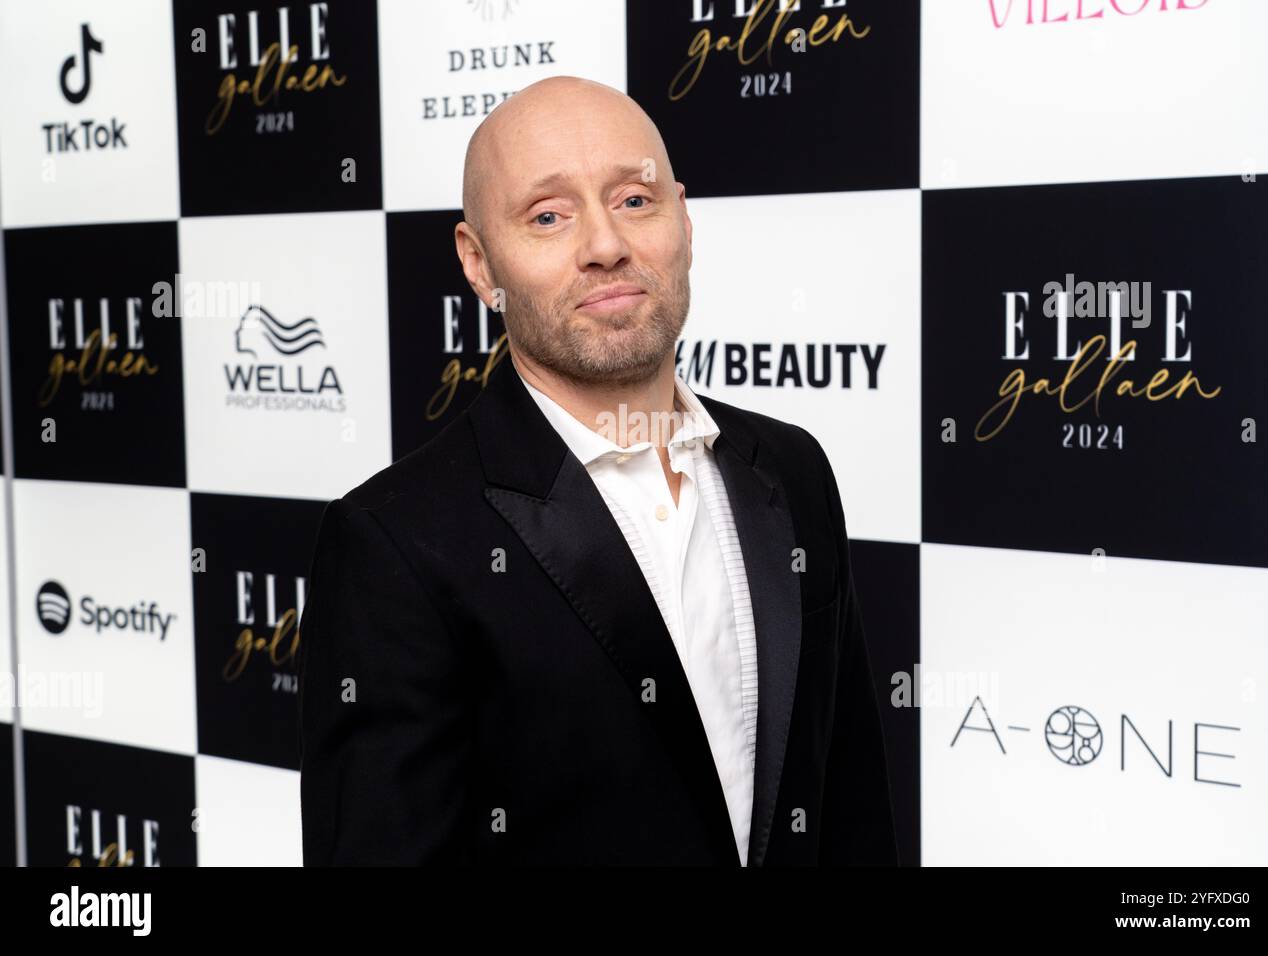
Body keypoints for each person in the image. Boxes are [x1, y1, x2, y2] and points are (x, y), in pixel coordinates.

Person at [297, 75, 897, 866]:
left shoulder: (791, 469)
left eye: (636, 201)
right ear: (480, 266)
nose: (606, 245)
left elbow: (849, 809)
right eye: (548, 216)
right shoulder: (394, 544)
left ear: (685, 221)